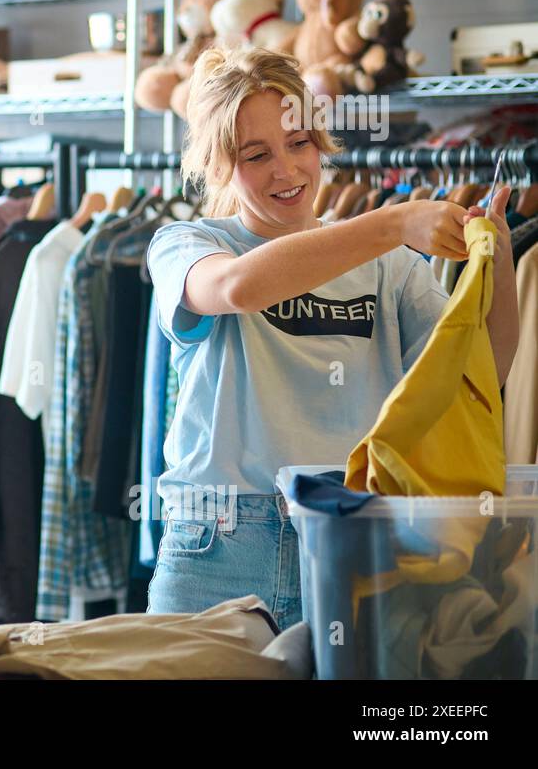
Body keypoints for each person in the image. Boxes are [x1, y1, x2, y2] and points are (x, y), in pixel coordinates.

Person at [145, 46, 518, 629]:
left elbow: (483, 368)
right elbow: (239, 288)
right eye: (256, 154)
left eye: (299, 144)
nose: (286, 170)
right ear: (221, 165)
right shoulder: (187, 245)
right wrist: (394, 222)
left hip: (351, 532)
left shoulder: (389, 266)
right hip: (218, 543)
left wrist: (499, 262)